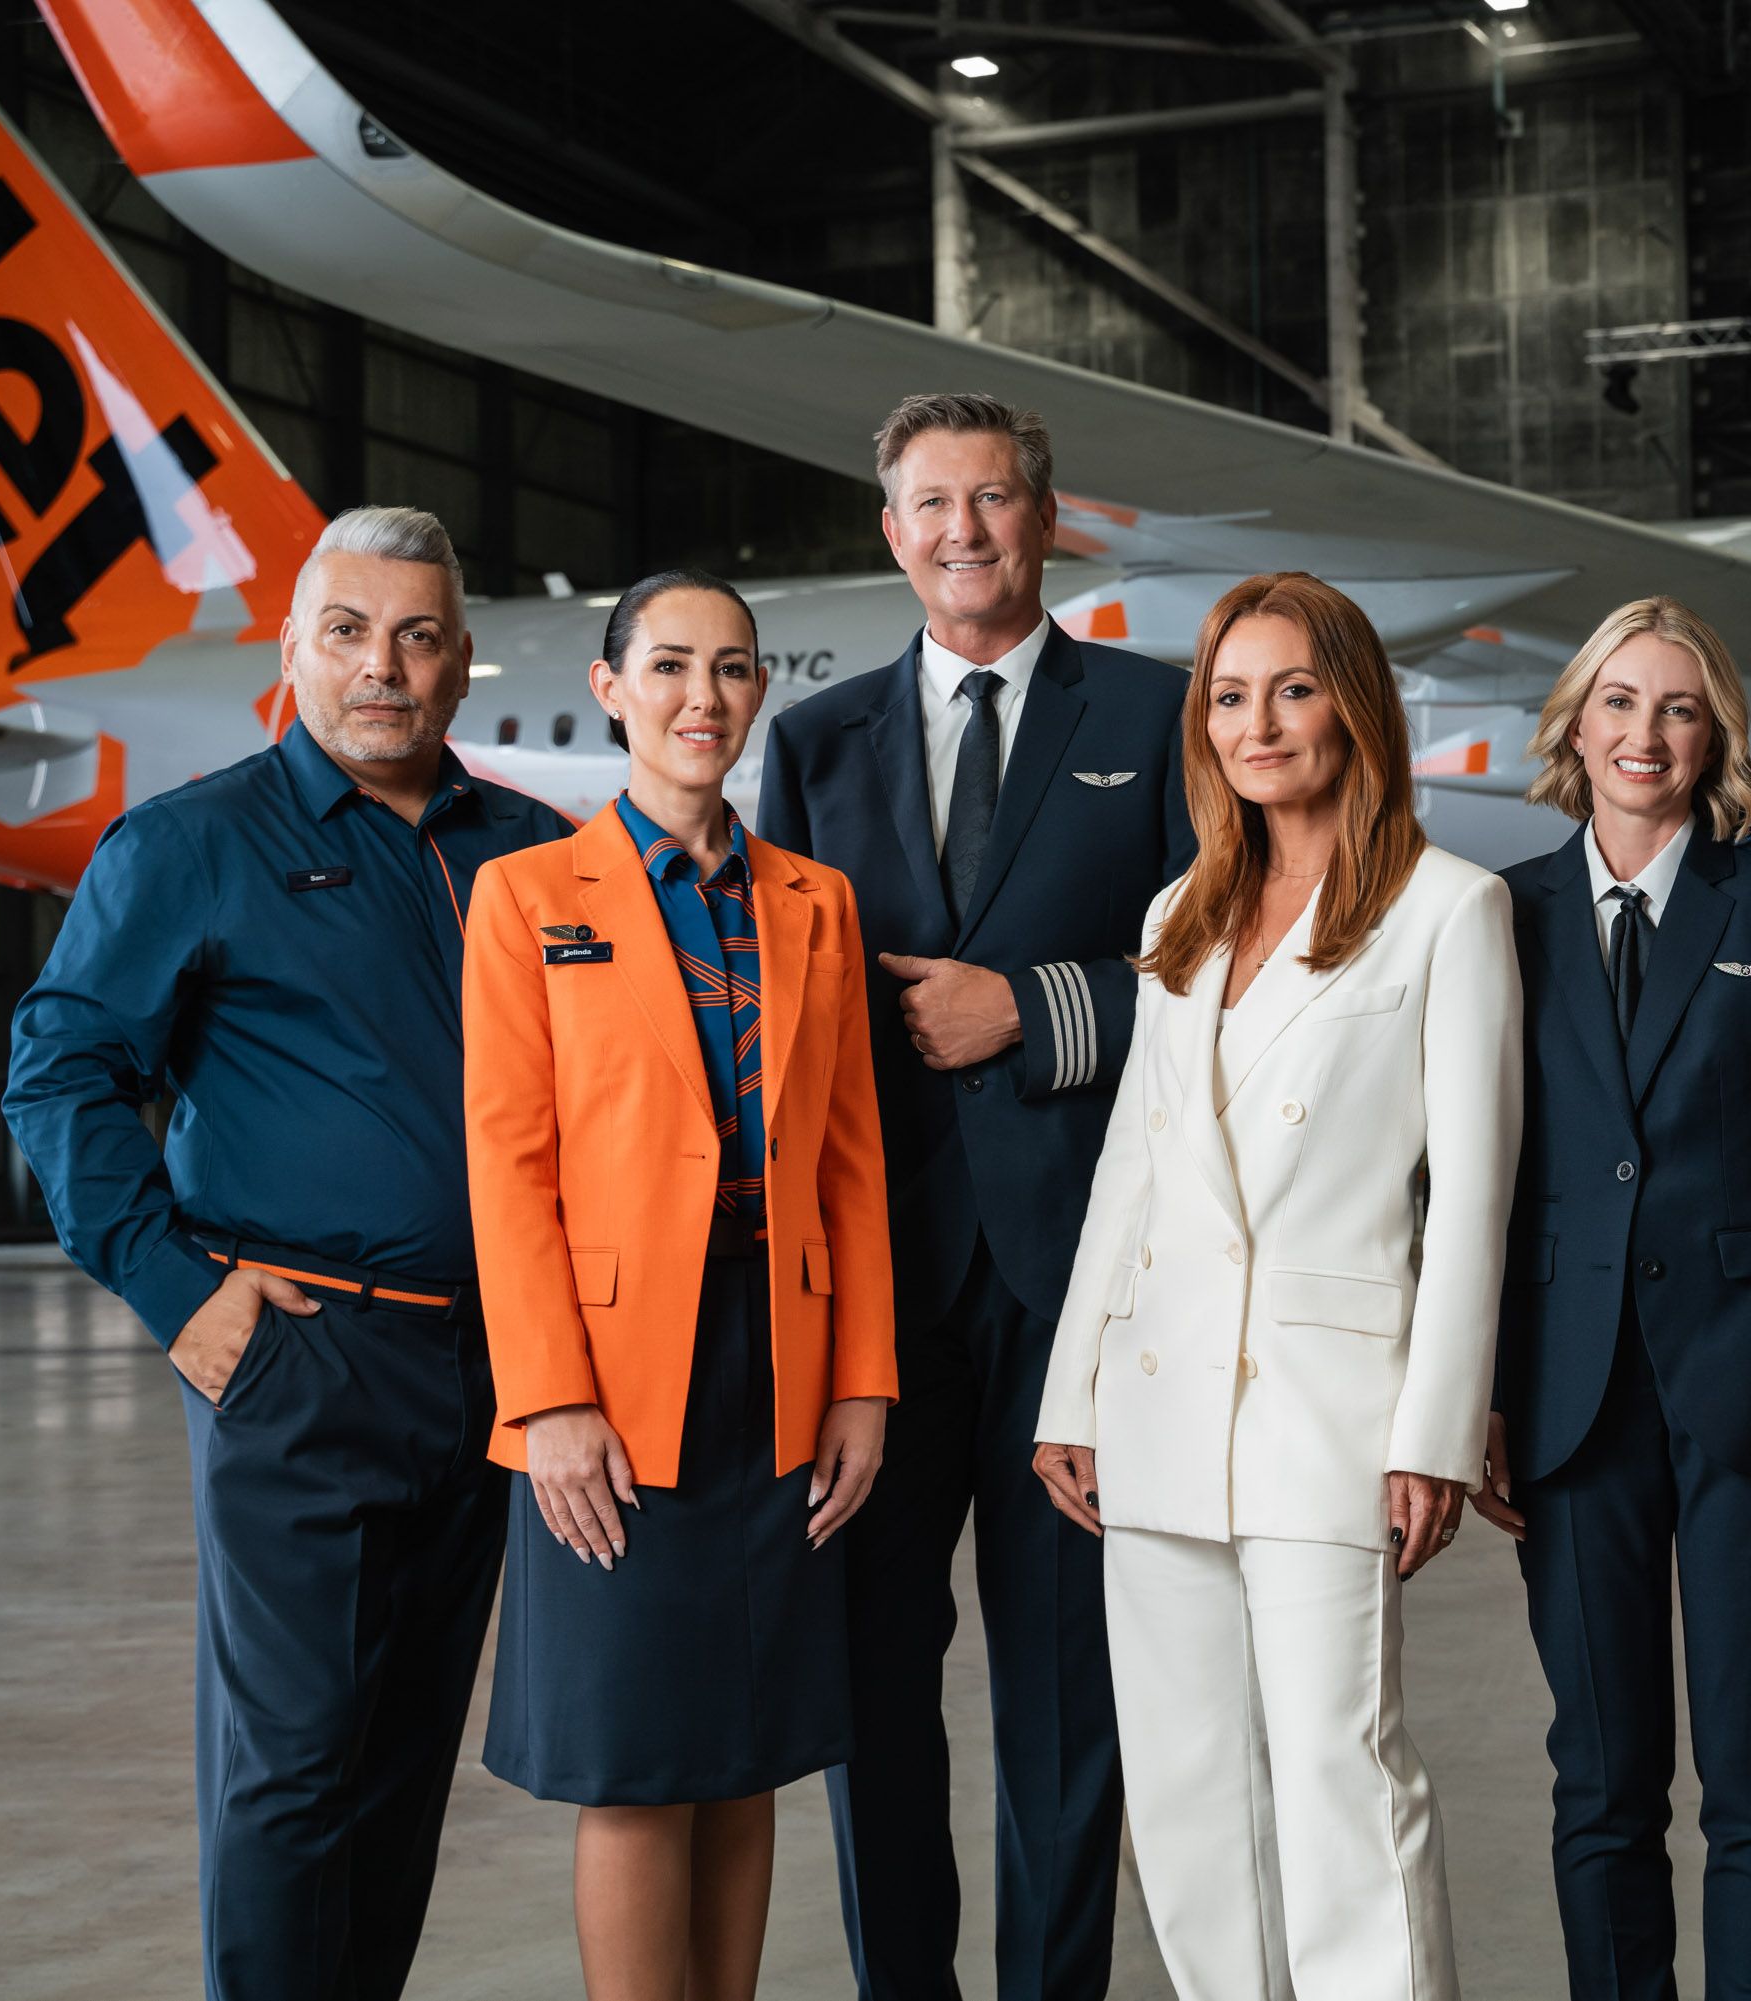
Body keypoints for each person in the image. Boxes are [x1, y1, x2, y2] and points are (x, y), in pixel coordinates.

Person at [2, 506, 572, 2001]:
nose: (382, 667)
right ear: (294, 652)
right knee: (296, 1764)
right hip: (301, 1360)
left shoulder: (535, 856)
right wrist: (183, 1296)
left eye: (418, 637)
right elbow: (62, 1075)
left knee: (397, 1771)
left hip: (494, 1373)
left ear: (460, 669)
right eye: (349, 632)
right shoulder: (192, 845)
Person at [1029, 571, 1521, 2001]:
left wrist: (1433, 1432)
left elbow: (1474, 1202)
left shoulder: (1450, 910)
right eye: (1230, 695)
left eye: (1293, 687)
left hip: (1331, 1408)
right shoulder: (1183, 906)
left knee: (1340, 1775)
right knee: (1184, 1792)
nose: (1261, 721)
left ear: (1353, 706)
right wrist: (1074, 1393)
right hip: (1161, 1396)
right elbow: (1133, 1165)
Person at [755, 392, 1192, 2000]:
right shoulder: (810, 746)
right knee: (873, 1692)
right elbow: (784, 1036)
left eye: (994, 499)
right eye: (930, 504)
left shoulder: (1158, 718)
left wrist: (1038, 1008)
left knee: (1069, 1698)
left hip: (1085, 1294)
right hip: (877, 1295)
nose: (963, 531)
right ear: (891, 532)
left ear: (1046, 516)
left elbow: (1225, 983)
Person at [462, 571, 897, 1998]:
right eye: (667, 666)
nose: (701, 696)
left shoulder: (815, 905)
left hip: (777, 1373)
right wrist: (551, 1402)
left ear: (757, 690)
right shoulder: (526, 897)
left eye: (730, 668)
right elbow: (508, 1169)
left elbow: (849, 1164)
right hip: (613, 1388)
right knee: (640, 1767)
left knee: (745, 1752)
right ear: (610, 687)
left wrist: (863, 1383)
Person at [1476, 596, 1751, 2000]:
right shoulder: (1500, 918)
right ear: (1574, 725)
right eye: (1619, 703)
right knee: (1600, 1775)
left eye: (1680, 708)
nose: (1645, 733)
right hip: (1566, 1402)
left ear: (1715, 737)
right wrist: (1469, 1394)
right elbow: (1466, 1178)